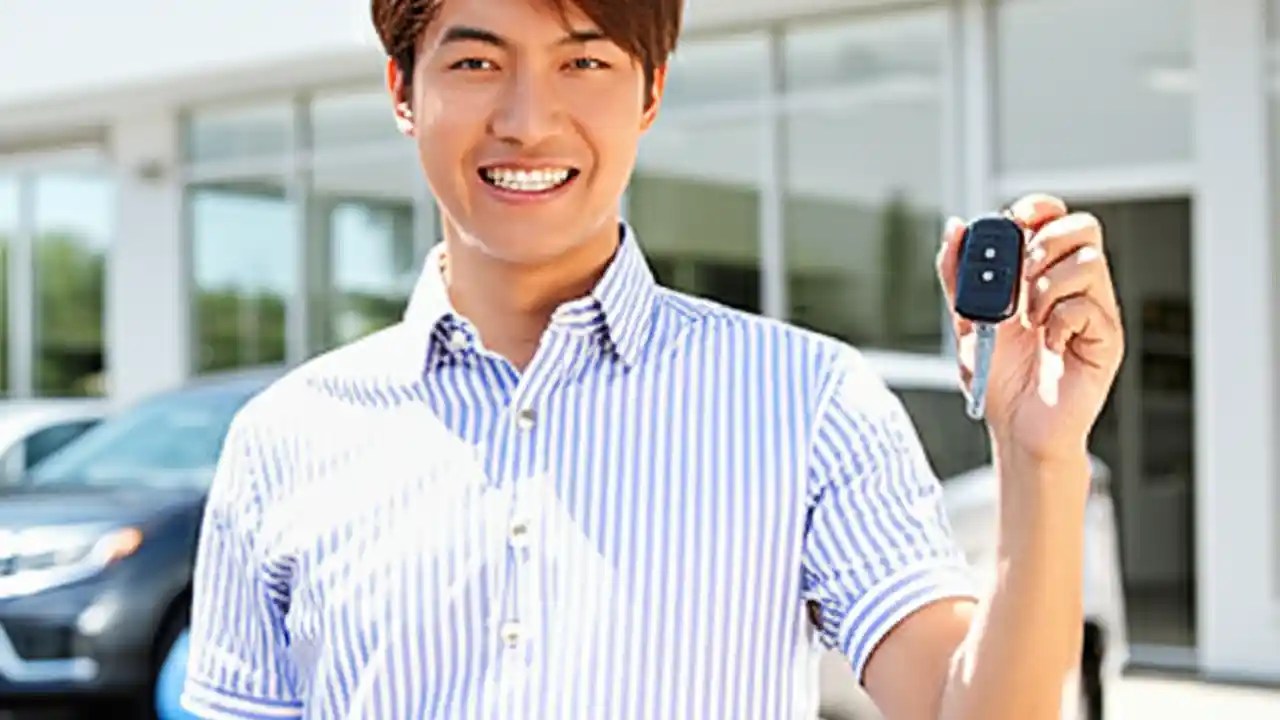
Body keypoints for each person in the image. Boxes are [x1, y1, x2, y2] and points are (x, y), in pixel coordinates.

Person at [178, 0, 1124, 717]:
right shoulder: (286, 439)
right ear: (402, 90)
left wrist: (1039, 455)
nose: (527, 119)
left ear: (651, 91)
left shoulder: (807, 401)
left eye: (583, 59)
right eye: (475, 61)